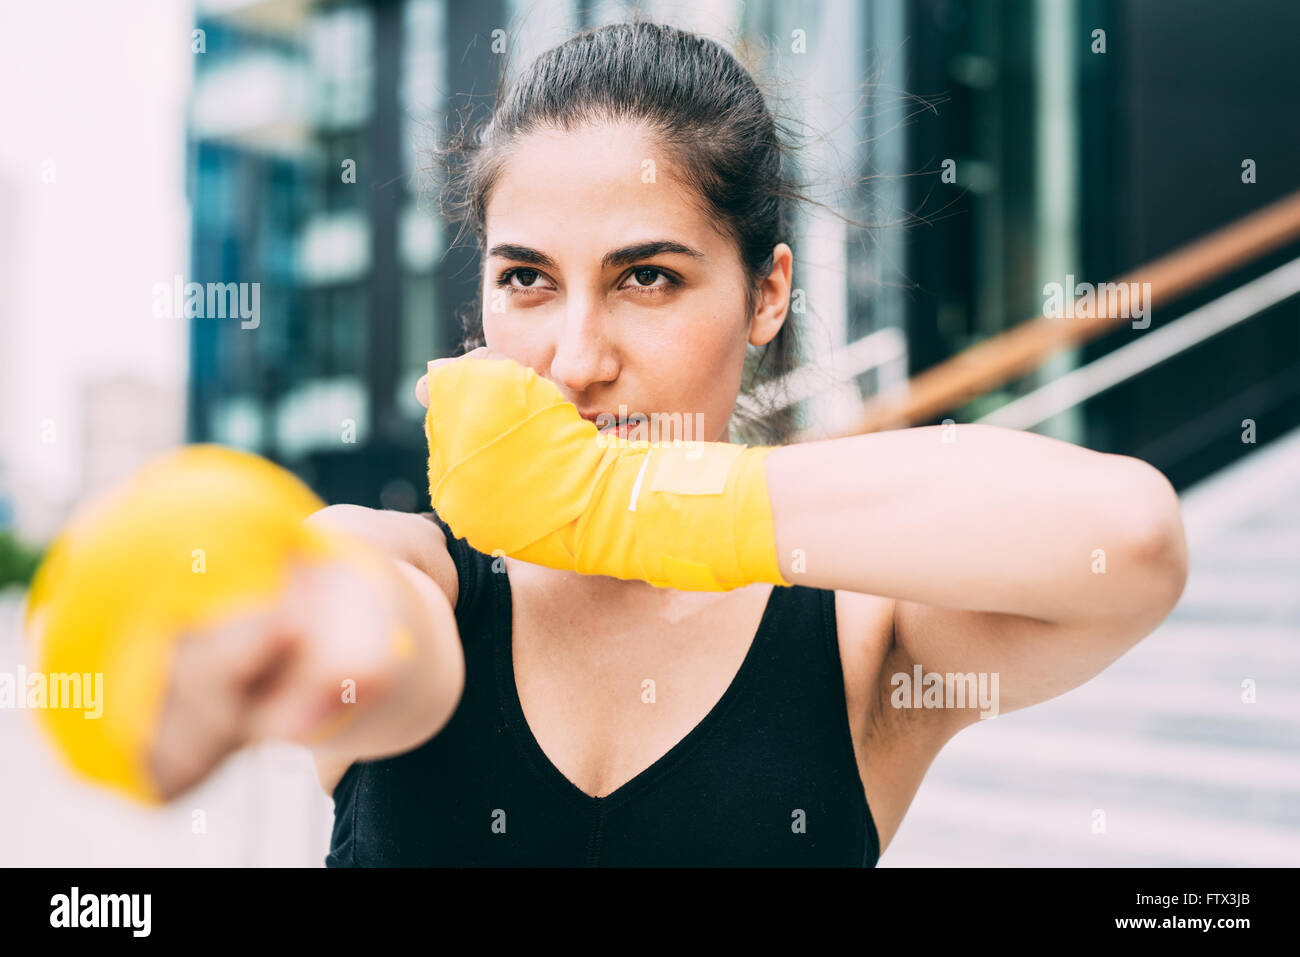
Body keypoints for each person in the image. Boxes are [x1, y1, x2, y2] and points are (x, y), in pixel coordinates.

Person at [144, 20, 1188, 866]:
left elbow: (1130, 539)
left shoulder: (867, 643)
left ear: (766, 294)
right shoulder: (420, 576)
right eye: (526, 279)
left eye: (647, 277)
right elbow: (343, 622)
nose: (575, 356)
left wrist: (626, 507)